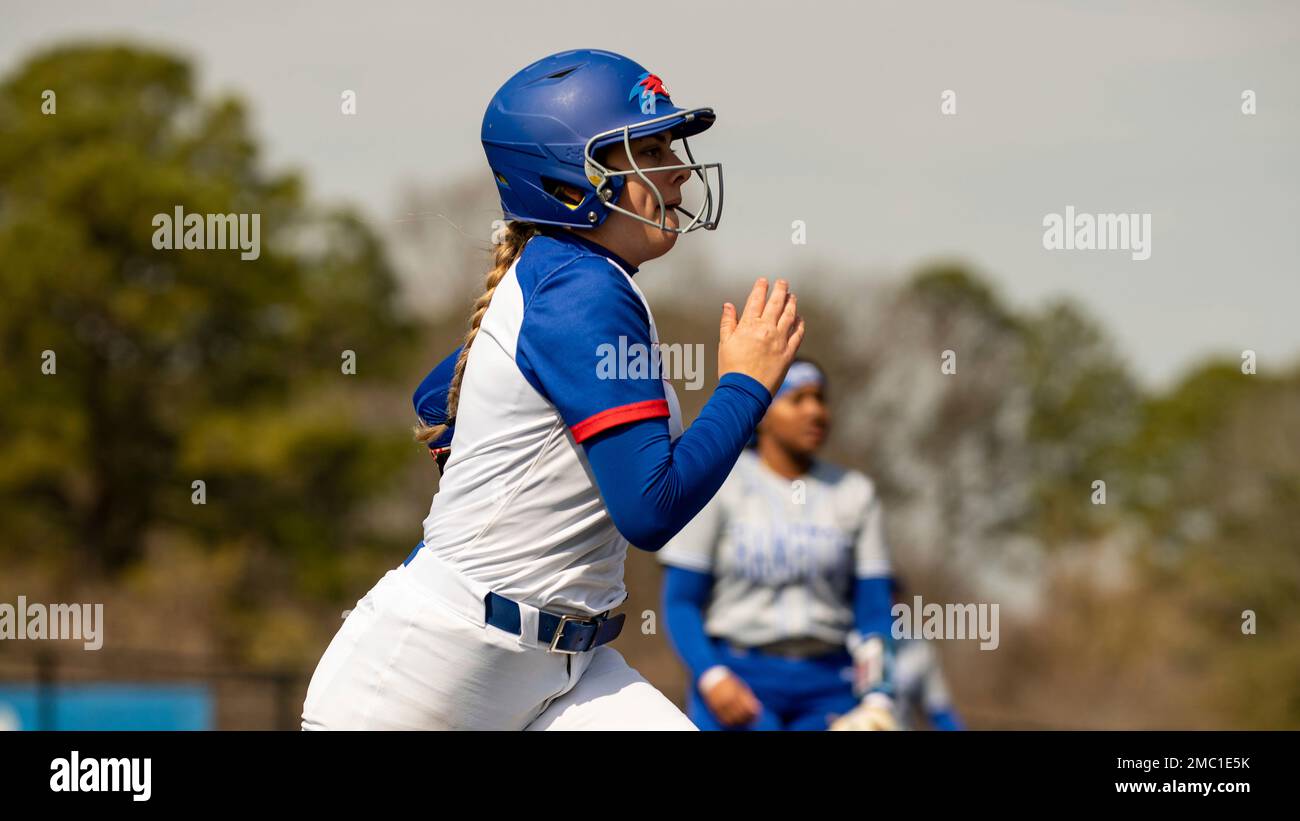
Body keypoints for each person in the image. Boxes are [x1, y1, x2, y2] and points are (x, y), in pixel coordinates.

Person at [301, 48, 805, 730]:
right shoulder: (582, 286)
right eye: (649, 148)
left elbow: (434, 399)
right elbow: (651, 509)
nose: (680, 167)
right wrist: (746, 385)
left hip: (565, 666)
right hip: (428, 676)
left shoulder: (569, 275)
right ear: (570, 181)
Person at [658, 361, 898, 730]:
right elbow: (680, 602)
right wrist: (711, 675)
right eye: (797, 399)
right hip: (738, 677)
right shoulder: (719, 481)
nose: (816, 411)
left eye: (819, 399)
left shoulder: (855, 492)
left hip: (829, 682)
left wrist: (878, 696)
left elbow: (874, 612)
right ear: (763, 413)